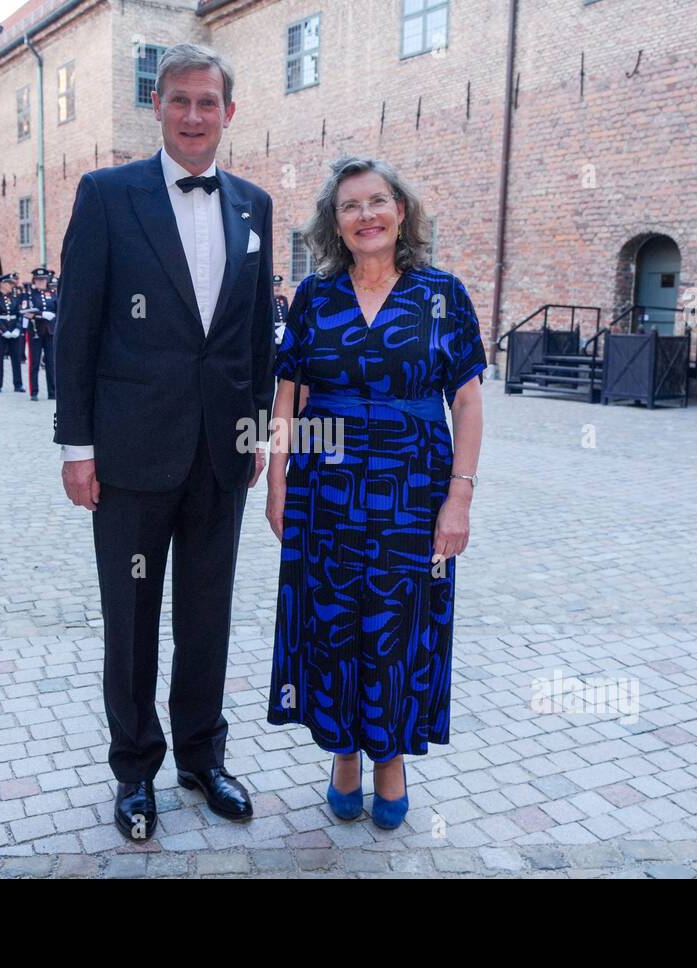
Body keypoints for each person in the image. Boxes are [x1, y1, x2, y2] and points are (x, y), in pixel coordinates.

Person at [54, 42, 275, 842]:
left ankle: (200, 757)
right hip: (130, 456)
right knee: (134, 617)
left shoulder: (253, 205)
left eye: (207, 102)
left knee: (208, 615)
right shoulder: (109, 196)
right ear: (157, 105)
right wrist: (76, 446)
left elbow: (256, 336)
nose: (193, 116)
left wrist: (254, 432)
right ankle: (134, 770)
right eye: (179, 100)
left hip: (222, 454)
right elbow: (75, 329)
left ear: (228, 111)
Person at [264, 156, 485, 831]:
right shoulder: (314, 297)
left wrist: (460, 499)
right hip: (324, 490)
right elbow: (289, 396)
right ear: (335, 222)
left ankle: (389, 759)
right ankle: (343, 756)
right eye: (351, 206)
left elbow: (468, 403)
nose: (367, 216)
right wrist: (277, 481)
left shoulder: (443, 293)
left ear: (403, 212)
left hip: (414, 492)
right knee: (331, 627)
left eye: (378, 201)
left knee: (399, 628)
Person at [23, 267, 58, 401]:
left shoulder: (53, 294)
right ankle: (34, 391)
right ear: (34, 281)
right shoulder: (29, 295)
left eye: (43, 280)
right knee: (34, 362)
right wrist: (42, 314)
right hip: (35, 332)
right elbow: (25, 312)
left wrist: (52, 316)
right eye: (38, 280)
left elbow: (58, 309)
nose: (41, 282)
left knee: (51, 362)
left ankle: (52, 391)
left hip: (49, 332)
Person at [0, 273, 26, 393]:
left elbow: (20, 313)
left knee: (16, 358)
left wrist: (17, 329)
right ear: (2, 284)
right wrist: (3, 330)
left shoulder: (15, 296)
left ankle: (18, 384)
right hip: (1, 331)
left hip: (14, 329)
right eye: (9, 283)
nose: (11, 285)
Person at [272, 273, 289, 344]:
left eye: (278, 285)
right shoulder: (269, 300)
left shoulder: (284, 299)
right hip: (273, 333)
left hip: (283, 332)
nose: (277, 288)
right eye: (275, 285)